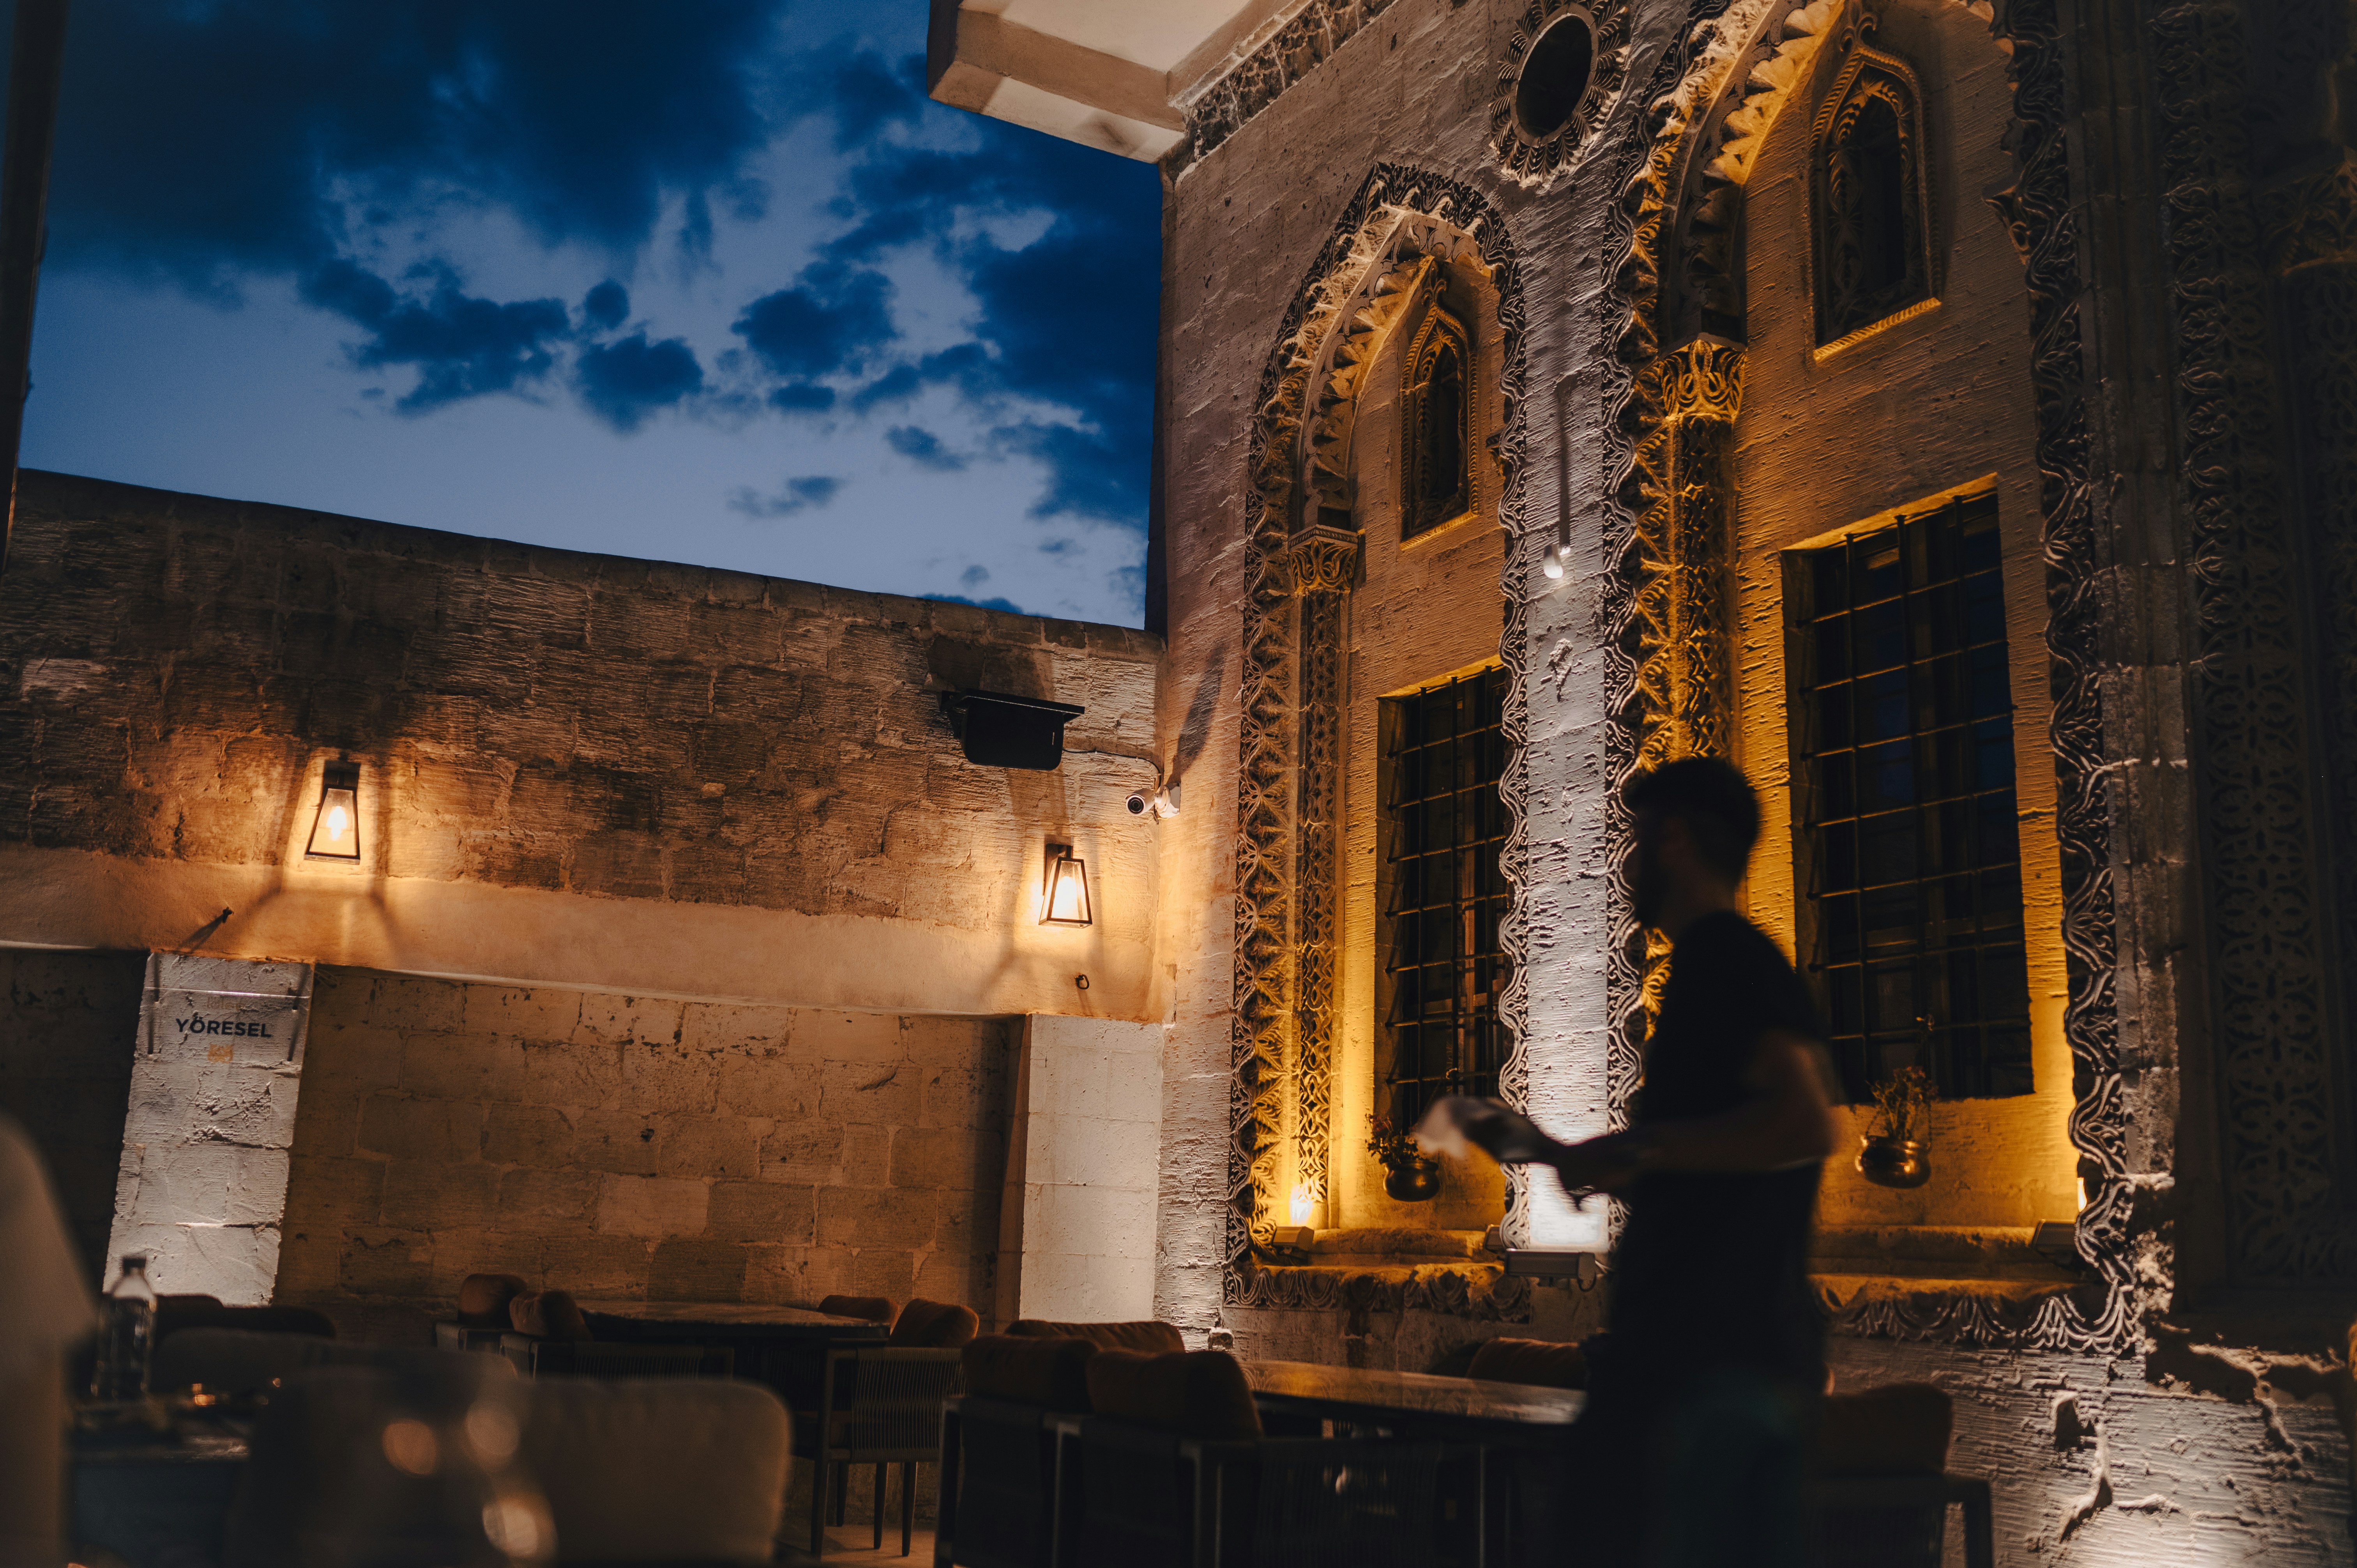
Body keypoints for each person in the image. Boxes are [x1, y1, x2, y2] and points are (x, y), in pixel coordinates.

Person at [1422, 757, 1839, 1566]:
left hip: (1705, 1361)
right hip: (1704, 1355)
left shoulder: (1725, 954)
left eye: (1634, 841)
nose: (1626, 863)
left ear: (1673, 839)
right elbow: (1711, 1152)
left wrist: (1647, 1147)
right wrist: (1561, 1153)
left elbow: (1803, 1122)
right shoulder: (1712, 967)